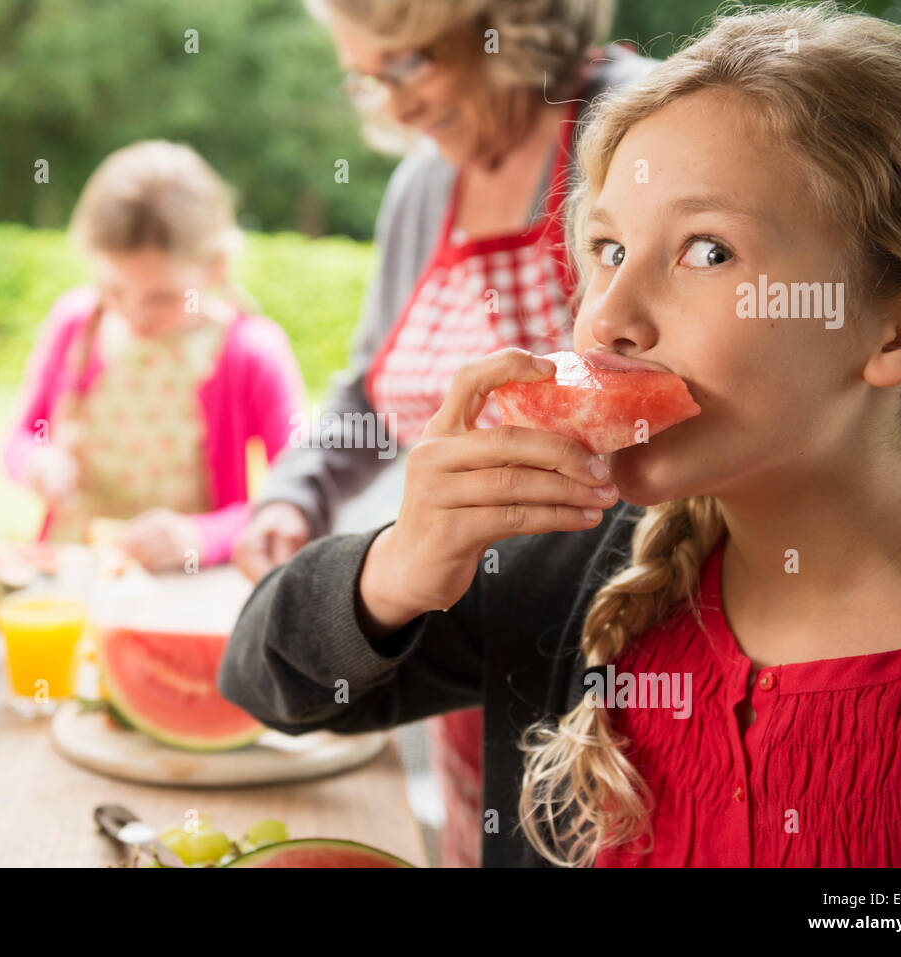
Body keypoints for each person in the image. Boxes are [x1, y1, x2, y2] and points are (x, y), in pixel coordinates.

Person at [218, 3, 901, 867]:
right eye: (608, 250)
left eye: (706, 251)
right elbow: (263, 677)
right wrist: (397, 566)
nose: (603, 321)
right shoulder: (564, 567)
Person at [235, 0, 656, 868]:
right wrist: (295, 489)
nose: (394, 106)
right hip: (471, 630)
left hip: (627, 627)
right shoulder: (426, 184)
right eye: (366, 77)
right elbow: (371, 379)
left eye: (413, 64)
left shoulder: (635, 125)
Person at [1, 141, 306, 572]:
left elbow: (296, 496)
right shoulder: (76, 324)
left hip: (187, 584)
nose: (135, 315)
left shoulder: (251, 351)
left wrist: (203, 536)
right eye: (114, 288)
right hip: (75, 571)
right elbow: (21, 435)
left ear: (216, 266)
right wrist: (36, 462)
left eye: (162, 298)